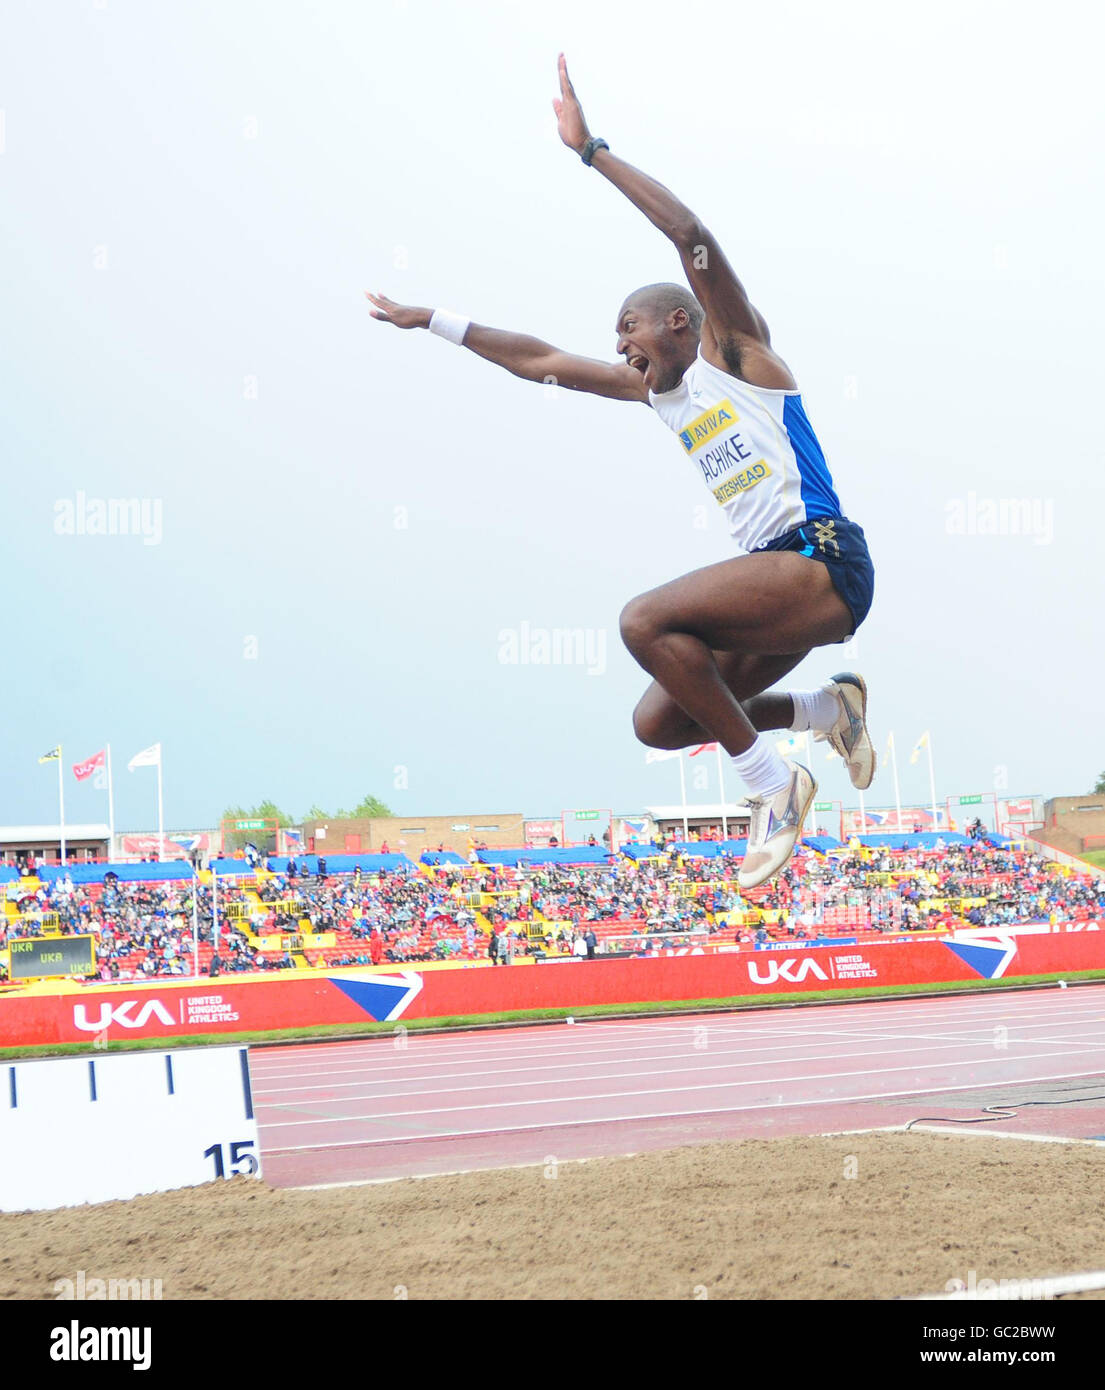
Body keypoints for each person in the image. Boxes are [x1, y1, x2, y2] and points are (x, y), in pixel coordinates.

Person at [367, 58, 876, 889]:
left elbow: (689, 235)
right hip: (779, 594)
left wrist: (590, 152)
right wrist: (433, 320)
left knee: (642, 623)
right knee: (663, 722)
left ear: (681, 324)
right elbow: (539, 361)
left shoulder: (735, 354)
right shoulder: (655, 394)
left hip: (819, 559)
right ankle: (827, 710)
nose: (618, 346)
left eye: (629, 328)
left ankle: (773, 787)